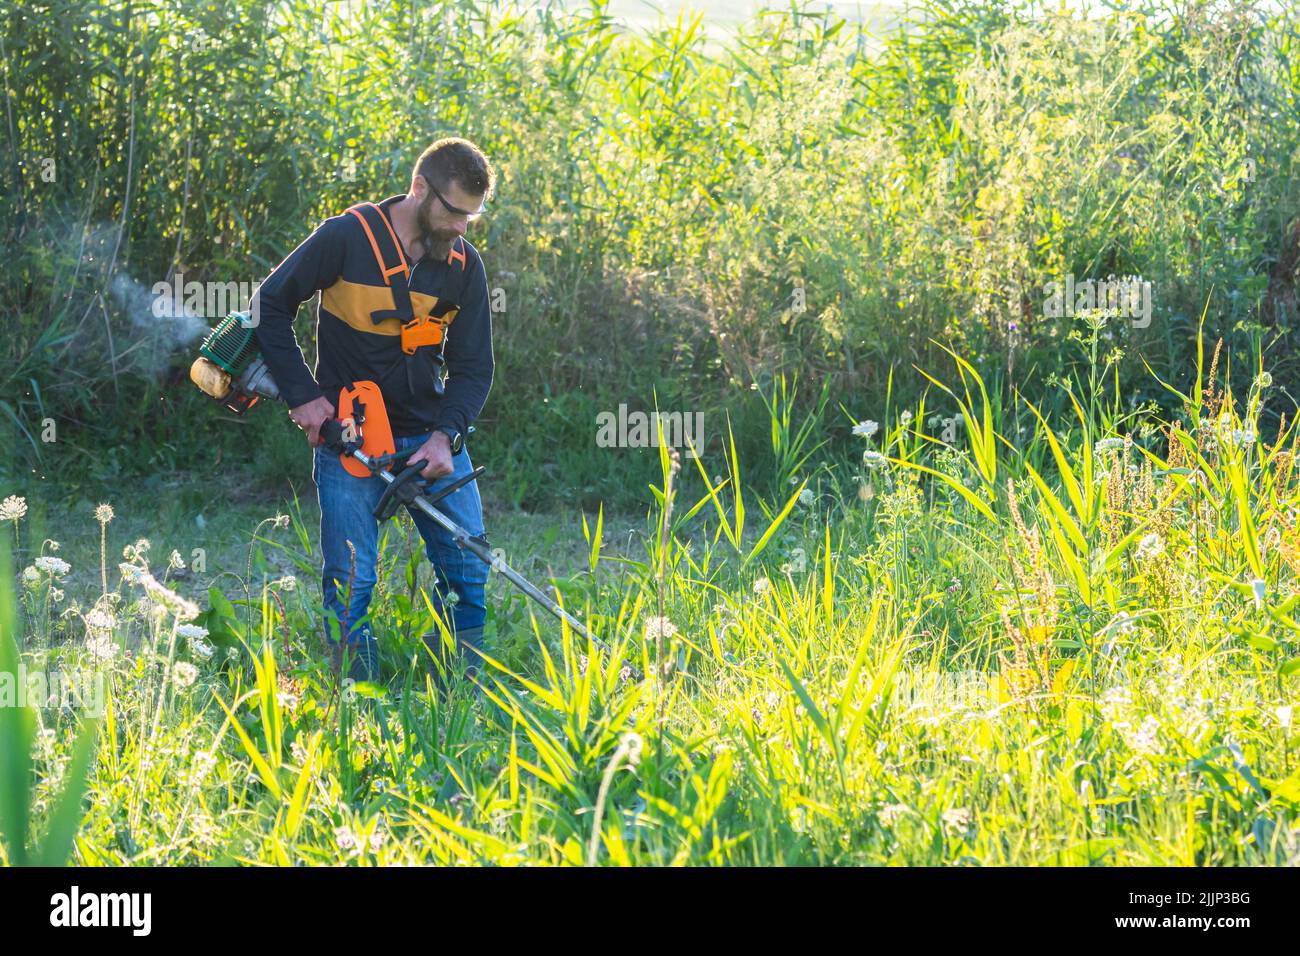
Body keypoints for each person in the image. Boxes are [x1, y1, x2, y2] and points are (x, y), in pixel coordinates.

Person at [250, 137, 497, 686]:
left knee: (468, 568)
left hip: (430, 439)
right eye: (454, 212)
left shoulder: (462, 266)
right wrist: (305, 398)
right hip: (350, 437)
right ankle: (357, 702)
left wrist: (445, 437)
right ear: (419, 189)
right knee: (351, 580)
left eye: (472, 217)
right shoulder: (346, 238)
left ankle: (457, 695)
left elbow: (475, 367)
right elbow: (269, 304)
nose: (462, 227)